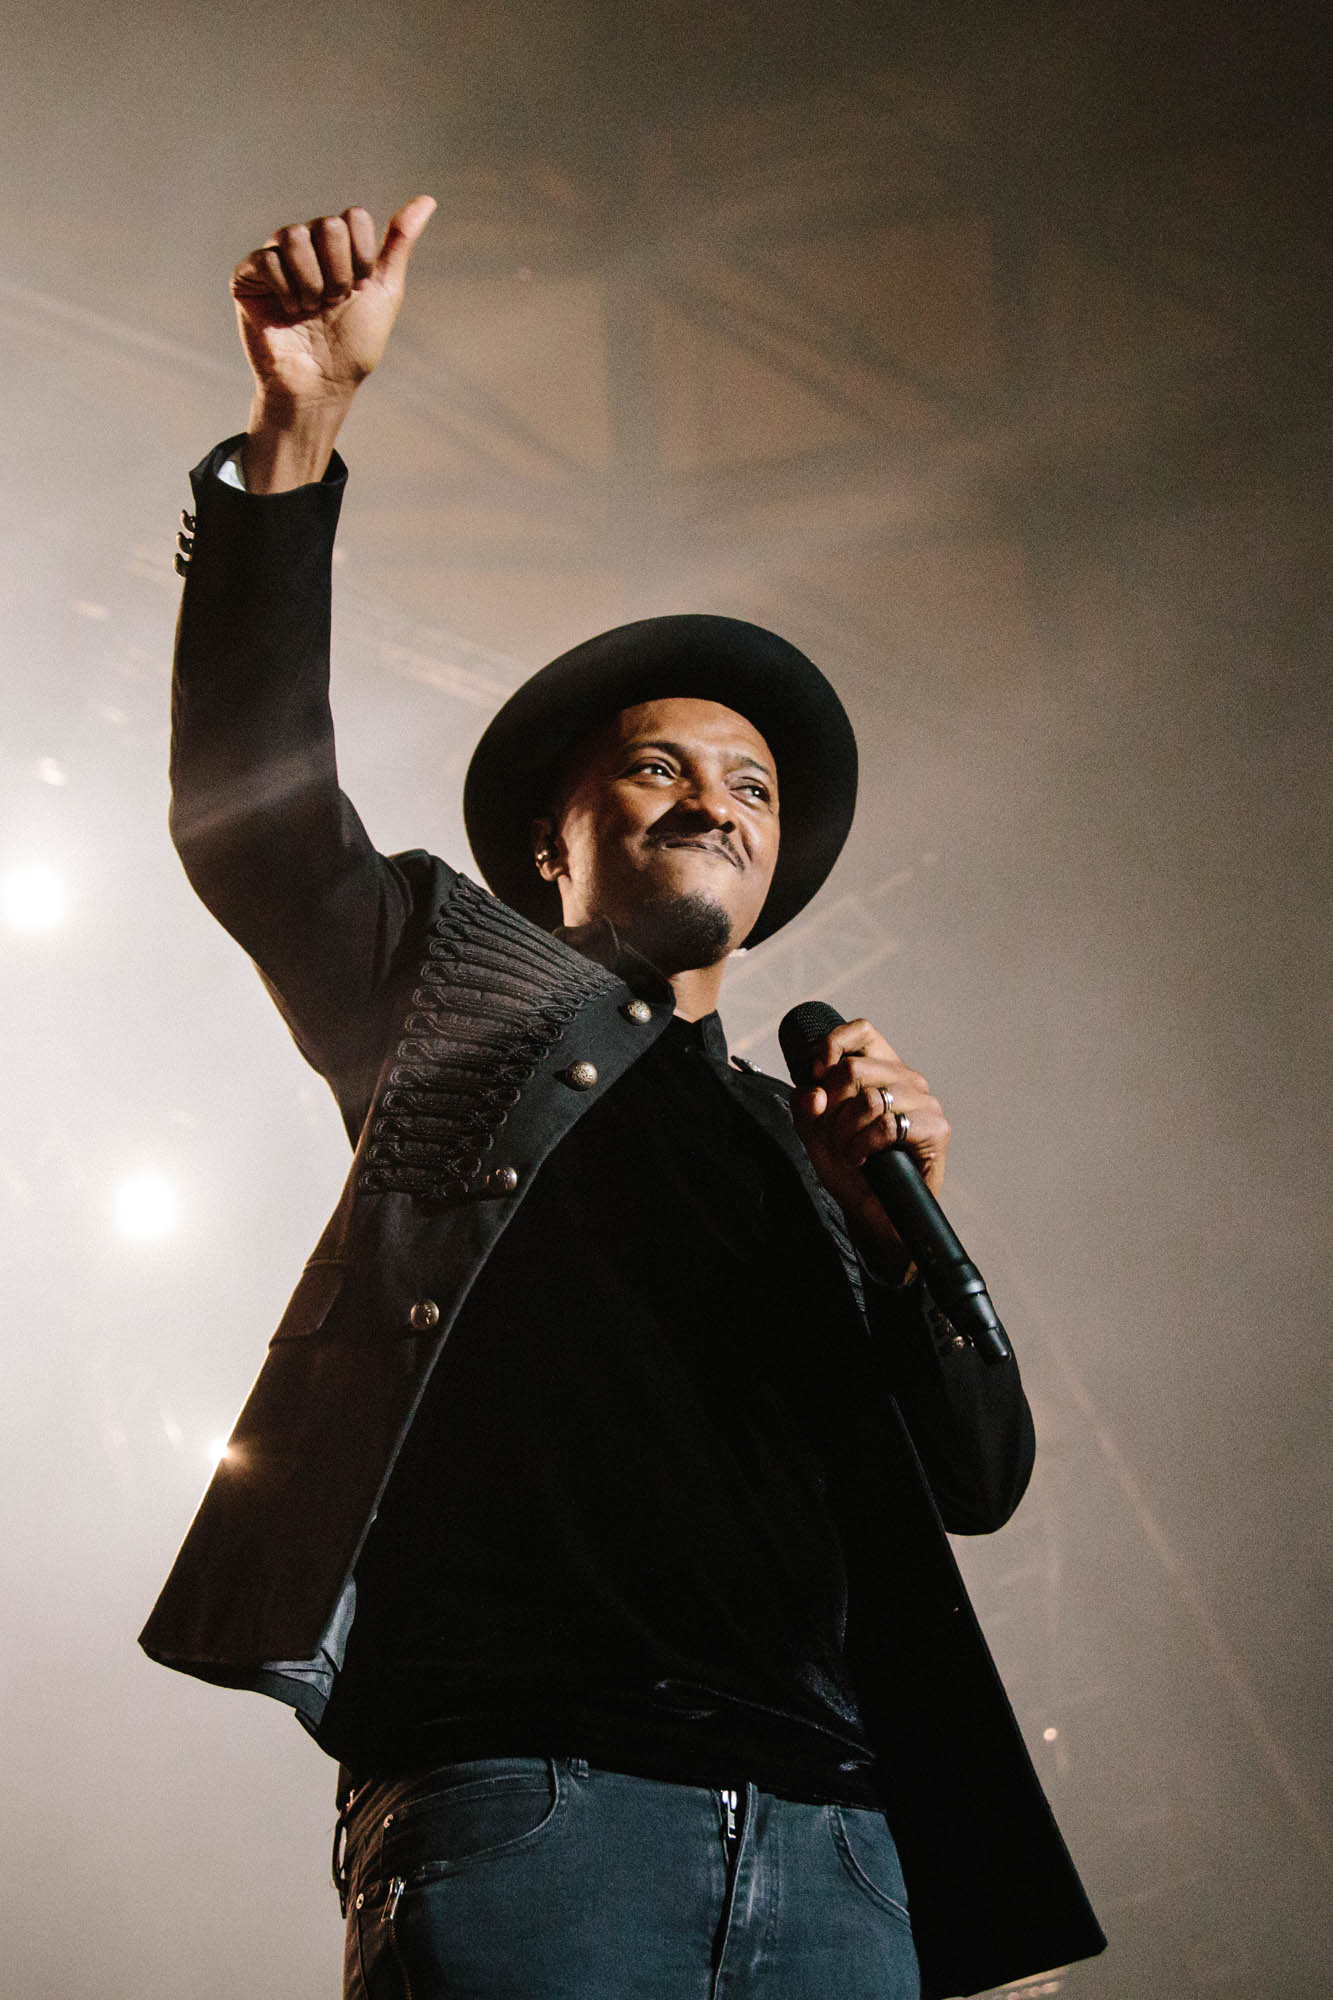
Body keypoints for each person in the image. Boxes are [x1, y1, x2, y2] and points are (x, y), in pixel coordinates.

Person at [141, 197, 1104, 1999]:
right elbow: (256, 829)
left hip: (839, 1848)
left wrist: (904, 1226)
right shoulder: (461, 991)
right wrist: (296, 433)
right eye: (654, 764)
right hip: (539, 1818)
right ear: (550, 837)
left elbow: (976, 1483)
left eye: (744, 780)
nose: (712, 796)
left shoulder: (806, 1142)